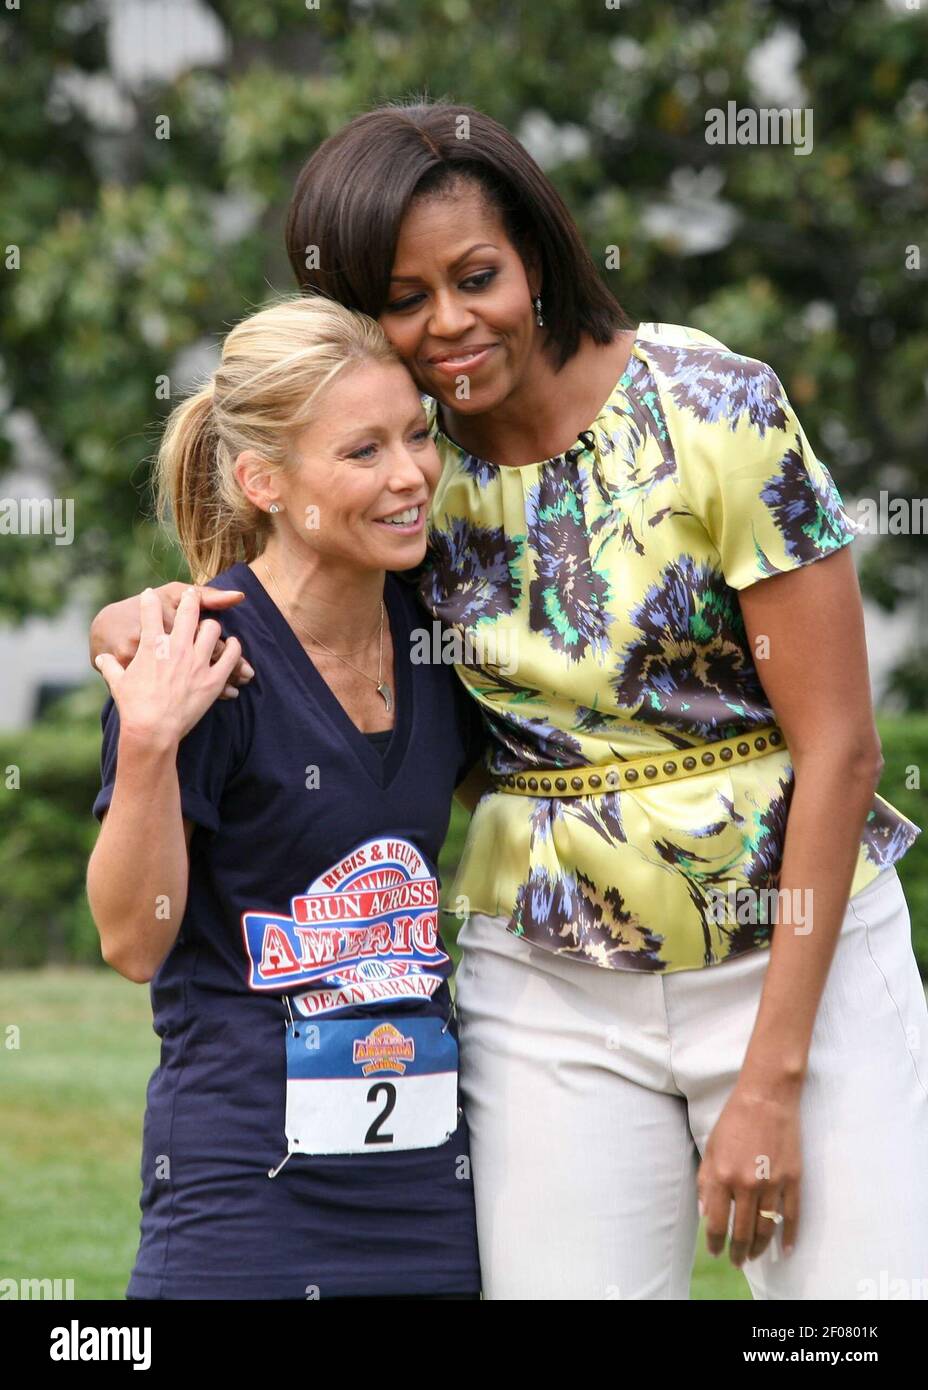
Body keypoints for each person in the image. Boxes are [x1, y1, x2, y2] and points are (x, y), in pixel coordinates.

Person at [91, 99, 928, 1301]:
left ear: (535, 252)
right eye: (403, 297)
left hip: (794, 962)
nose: (448, 324)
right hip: (545, 981)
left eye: (475, 276)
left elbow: (842, 749)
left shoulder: (714, 405)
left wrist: (772, 1075)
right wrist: (136, 622)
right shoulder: (419, 469)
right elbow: (288, 574)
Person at [87, 294, 484, 1300]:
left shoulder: (441, 635)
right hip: (244, 1197)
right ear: (264, 480)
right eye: (362, 451)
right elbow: (135, 940)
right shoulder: (199, 657)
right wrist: (147, 739)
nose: (409, 475)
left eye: (416, 434)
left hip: (432, 1195)